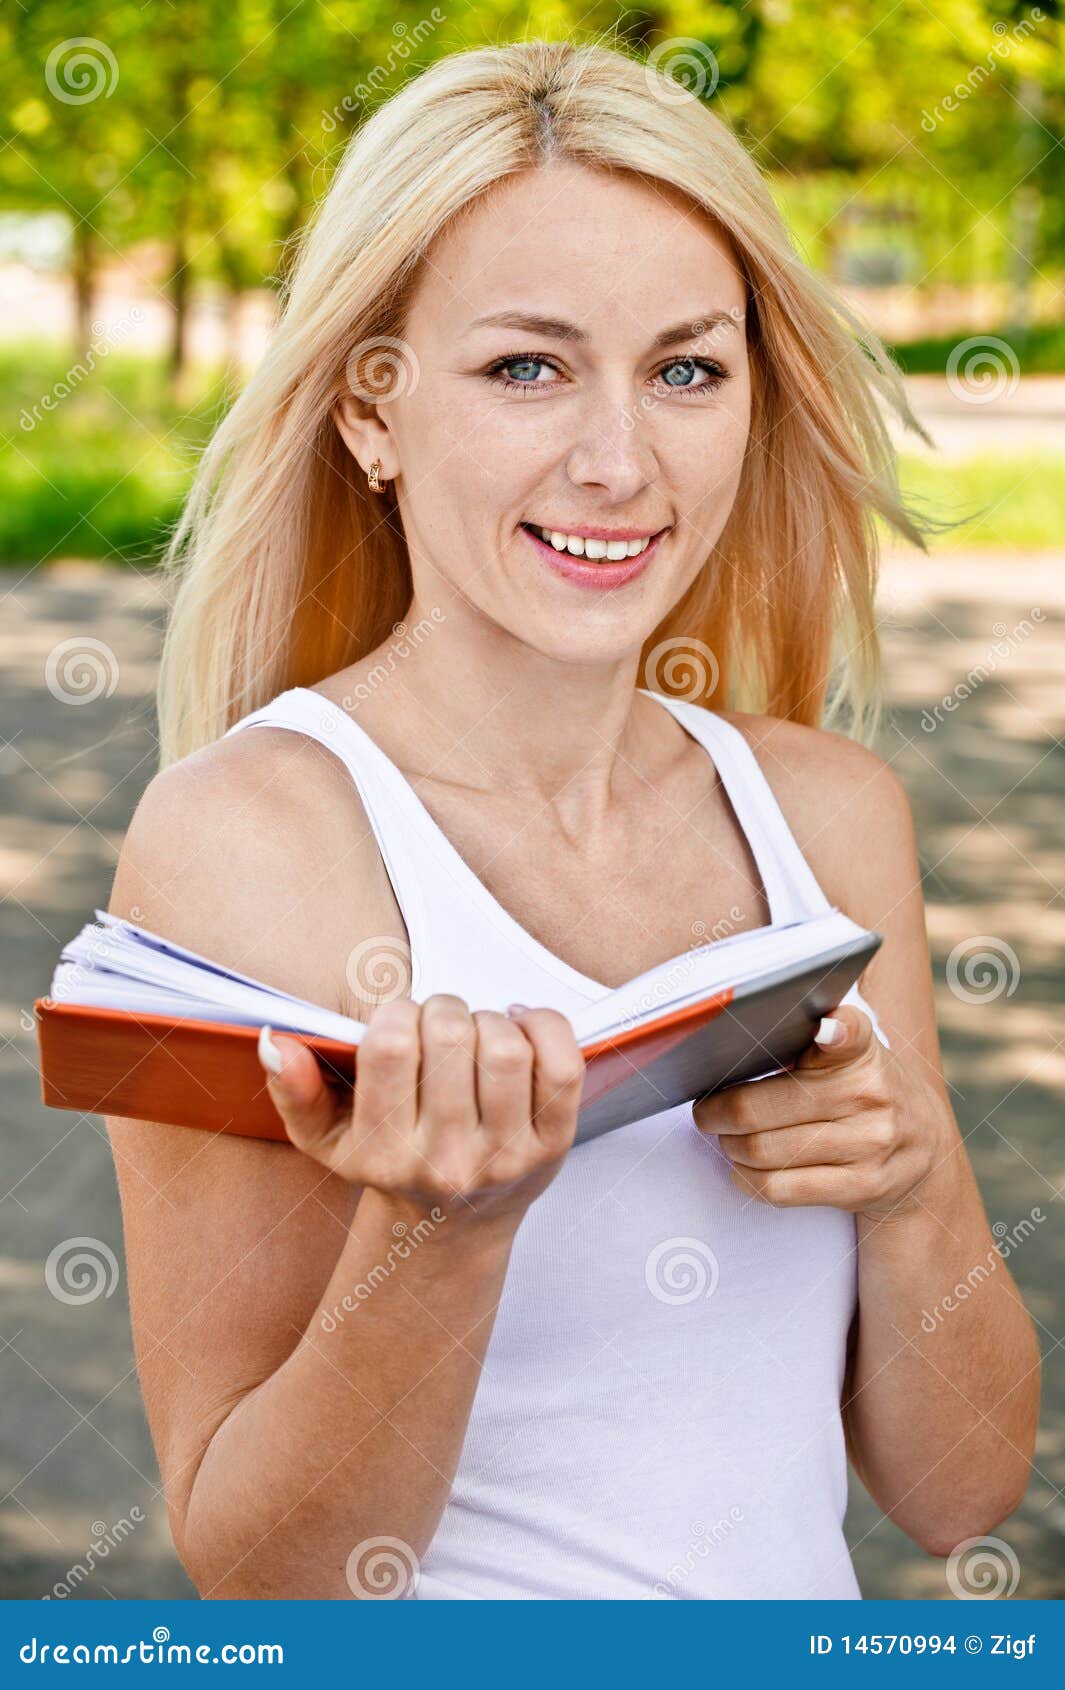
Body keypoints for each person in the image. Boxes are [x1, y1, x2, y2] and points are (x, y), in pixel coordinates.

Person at [104, 37, 1040, 1600]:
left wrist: (918, 1183)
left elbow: (962, 1495)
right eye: (525, 366)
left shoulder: (827, 819)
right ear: (371, 414)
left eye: (686, 369)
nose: (618, 462)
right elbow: (265, 1582)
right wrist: (440, 1234)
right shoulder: (246, 843)